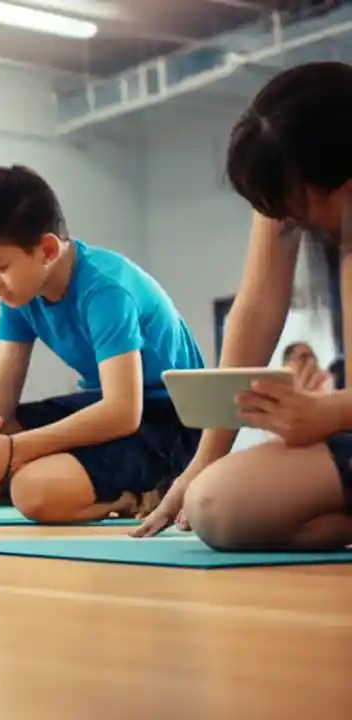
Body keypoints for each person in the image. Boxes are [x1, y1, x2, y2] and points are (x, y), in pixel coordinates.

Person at [135, 61, 352, 550]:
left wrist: (333, 410)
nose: (288, 223)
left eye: (296, 212)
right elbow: (256, 307)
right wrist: (203, 460)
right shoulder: (307, 189)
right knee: (216, 504)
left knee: (221, 504)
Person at [0, 165, 204, 523]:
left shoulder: (106, 290)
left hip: (172, 418)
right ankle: (106, 485)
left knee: (32, 491)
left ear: (47, 250)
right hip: (114, 404)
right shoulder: (19, 296)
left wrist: (15, 449)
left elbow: (123, 412)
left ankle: (143, 493)